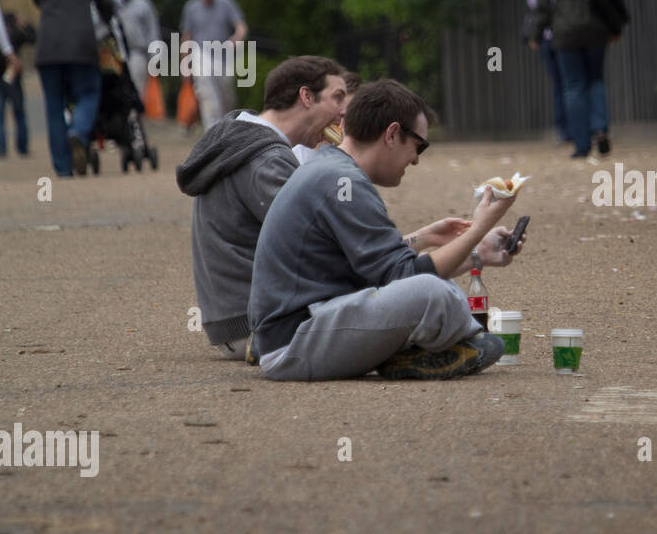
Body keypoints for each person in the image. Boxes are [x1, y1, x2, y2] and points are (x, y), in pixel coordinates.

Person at [249, 79, 523, 381]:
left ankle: (412, 351)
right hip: (294, 343)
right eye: (419, 145)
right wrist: (481, 224)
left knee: (430, 290)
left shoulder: (332, 169)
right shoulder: (344, 182)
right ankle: (426, 348)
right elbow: (406, 277)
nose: (417, 159)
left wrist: (475, 252)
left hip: (296, 331)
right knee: (436, 293)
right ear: (392, 134)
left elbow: (381, 269)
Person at [176, 56, 350, 361]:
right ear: (306, 96)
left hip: (236, 320)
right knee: (400, 307)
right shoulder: (266, 159)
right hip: (260, 325)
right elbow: (323, 245)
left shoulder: (244, 139)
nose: (343, 111)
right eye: (337, 97)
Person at [25, 0, 116, 176]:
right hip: (80, 42)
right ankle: (78, 129)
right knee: (88, 92)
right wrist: (109, 21)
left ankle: (63, 169)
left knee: (53, 105)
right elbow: (103, 1)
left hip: (49, 44)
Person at [530, 0, 614, 159]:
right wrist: (614, 25)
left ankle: (580, 143)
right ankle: (599, 126)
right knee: (596, 79)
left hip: (565, 27)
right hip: (596, 24)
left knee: (573, 84)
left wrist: (536, 31)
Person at [179, 0, 248, 128]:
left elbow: (241, 26)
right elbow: (187, 36)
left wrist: (236, 38)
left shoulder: (226, 3)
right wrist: (185, 64)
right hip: (201, 54)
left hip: (223, 55)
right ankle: (212, 133)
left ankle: (227, 128)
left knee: (226, 97)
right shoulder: (191, 7)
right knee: (209, 98)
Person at [525, 0, 570, 143]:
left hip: (546, 40)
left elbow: (536, 10)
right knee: (570, 84)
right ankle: (573, 129)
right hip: (564, 38)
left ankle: (564, 130)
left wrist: (534, 35)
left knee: (561, 85)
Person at [109, 0, 163, 102]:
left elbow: (153, 31)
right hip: (112, 56)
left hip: (136, 54)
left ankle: (135, 119)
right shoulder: (106, 4)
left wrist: (156, 56)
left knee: (137, 92)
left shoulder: (142, 4)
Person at [292, 70, 362, 165]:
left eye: (348, 115)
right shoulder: (297, 155)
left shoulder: (365, 159)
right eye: (336, 109)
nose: (340, 120)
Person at [0, 0, 35, 159]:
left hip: (4, 73)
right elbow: (32, 36)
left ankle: (1, 147)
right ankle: (22, 146)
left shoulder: (9, 28)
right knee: (18, 110)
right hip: (9, 71)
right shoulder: (11, 29)